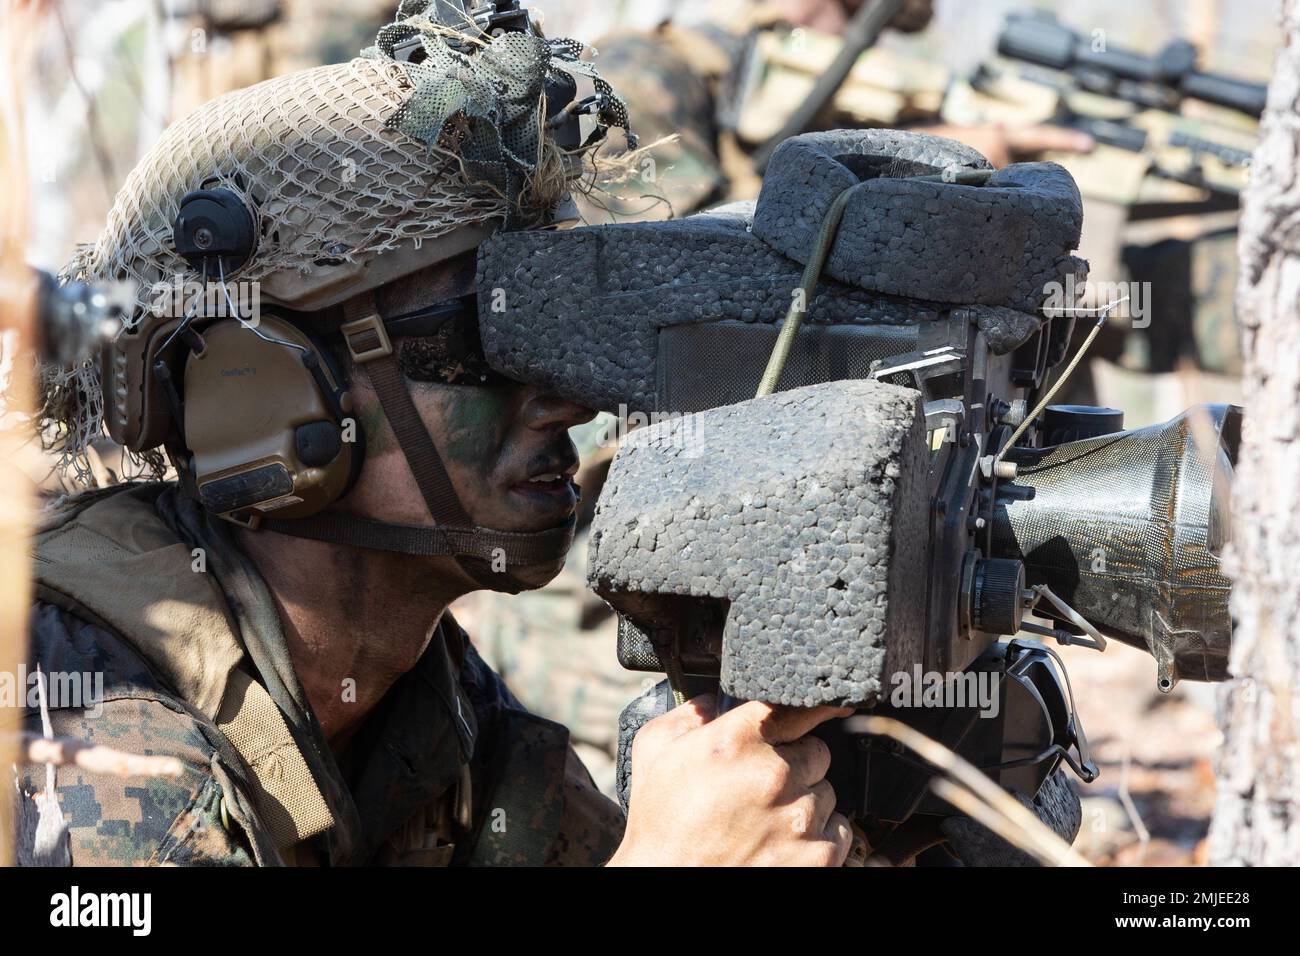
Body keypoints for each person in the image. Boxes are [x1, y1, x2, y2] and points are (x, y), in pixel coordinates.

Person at [17, 2, 852, 867]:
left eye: (558, 337)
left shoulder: (428, 710)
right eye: (485, 343)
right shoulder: (90, 736)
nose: (565, 400)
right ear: (261, 395)